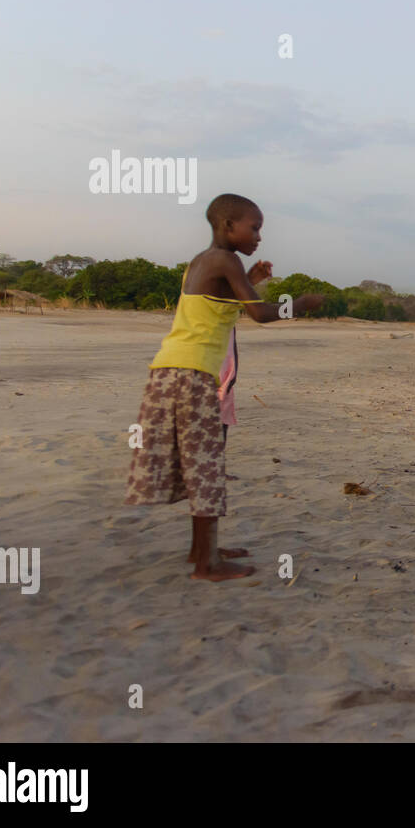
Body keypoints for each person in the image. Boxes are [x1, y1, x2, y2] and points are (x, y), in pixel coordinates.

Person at [124, 193, 324, 580]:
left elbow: (221, 304)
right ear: (227, 226)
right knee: (207, 464)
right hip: (190, 373)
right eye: (255, 227)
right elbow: (260, 314)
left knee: (201, 463)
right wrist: (301, 303)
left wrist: (250, 281)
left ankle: (203, 550)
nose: (259, 237)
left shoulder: (203, 262)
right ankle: (207, 563)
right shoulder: (224, 259)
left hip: (174, 370)